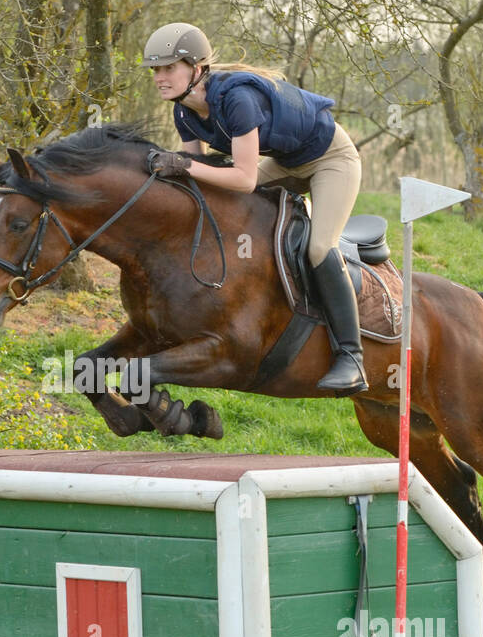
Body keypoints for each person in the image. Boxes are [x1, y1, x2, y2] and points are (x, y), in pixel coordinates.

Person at [141, 22, 367, 394]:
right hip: (284, 162)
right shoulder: (183, 110)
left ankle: (352, 357)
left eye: (168, 68)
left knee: (319, 247)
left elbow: (244, 179)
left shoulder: (236, 99)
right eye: (155, 70)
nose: (159, 77)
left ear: (196, 68)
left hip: (331, 159)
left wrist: (183, 165)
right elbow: (199, 177)